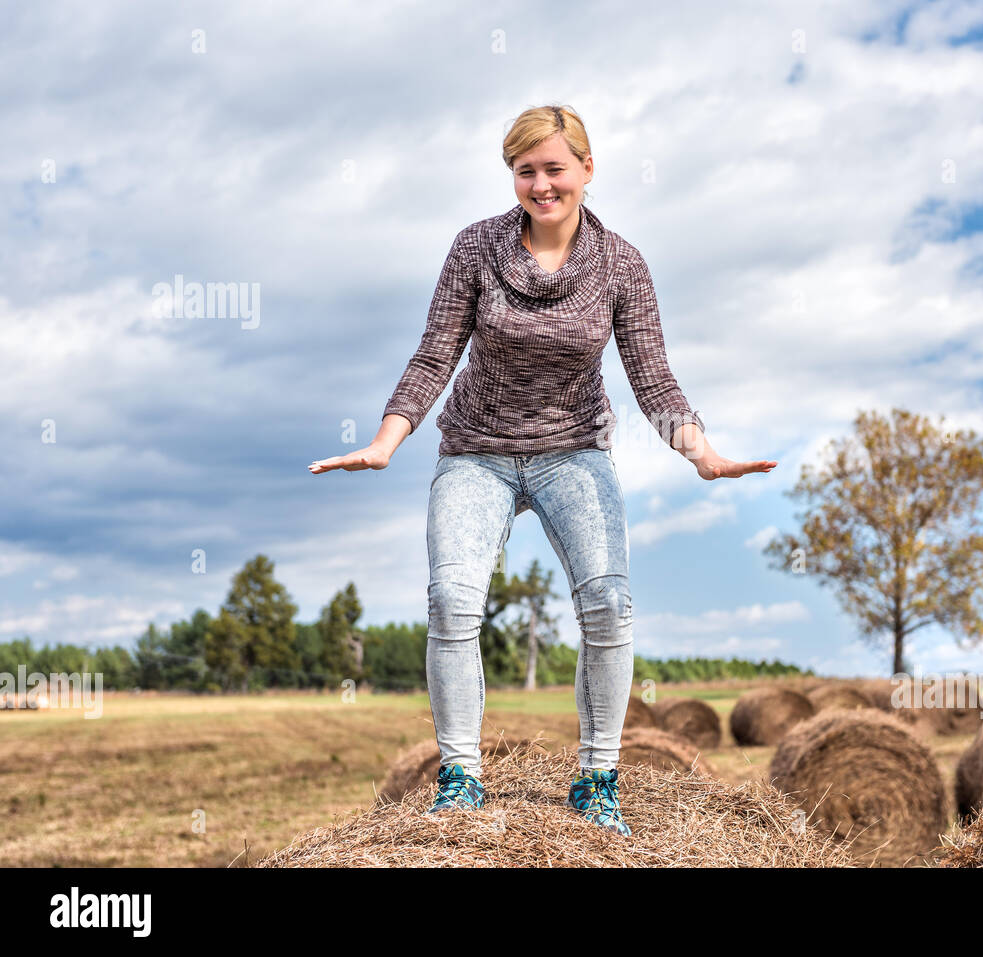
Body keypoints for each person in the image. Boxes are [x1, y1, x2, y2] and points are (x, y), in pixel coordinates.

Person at [309, 104, 776, 837]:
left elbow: (652, 376)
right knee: (452, 602)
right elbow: (435, 353)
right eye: (526, 170)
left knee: (609, 606)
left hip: (574, 451)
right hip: (475, 451)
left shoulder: (621, 263)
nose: (541, 183)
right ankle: (459, 778)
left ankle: (597, 778)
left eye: (555, 168)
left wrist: (700, 449)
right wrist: (386, 438)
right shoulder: (475, 248)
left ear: (587, 170)